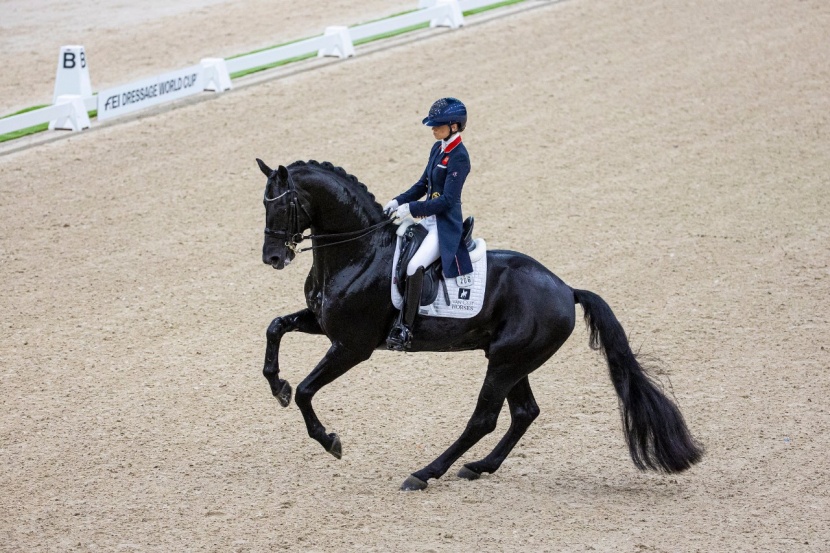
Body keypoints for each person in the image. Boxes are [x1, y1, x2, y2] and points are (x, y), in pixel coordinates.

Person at [384, 97, 473, 350]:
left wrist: (412, 208)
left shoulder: (459, 157)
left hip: (443, 224)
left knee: (414, 266)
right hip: (426, 219)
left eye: (438, 125)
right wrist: (397, 200)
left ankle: (406, 328)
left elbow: (447, 200)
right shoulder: (438, 148)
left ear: (454, 126)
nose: (433, 129)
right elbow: (423, 184)